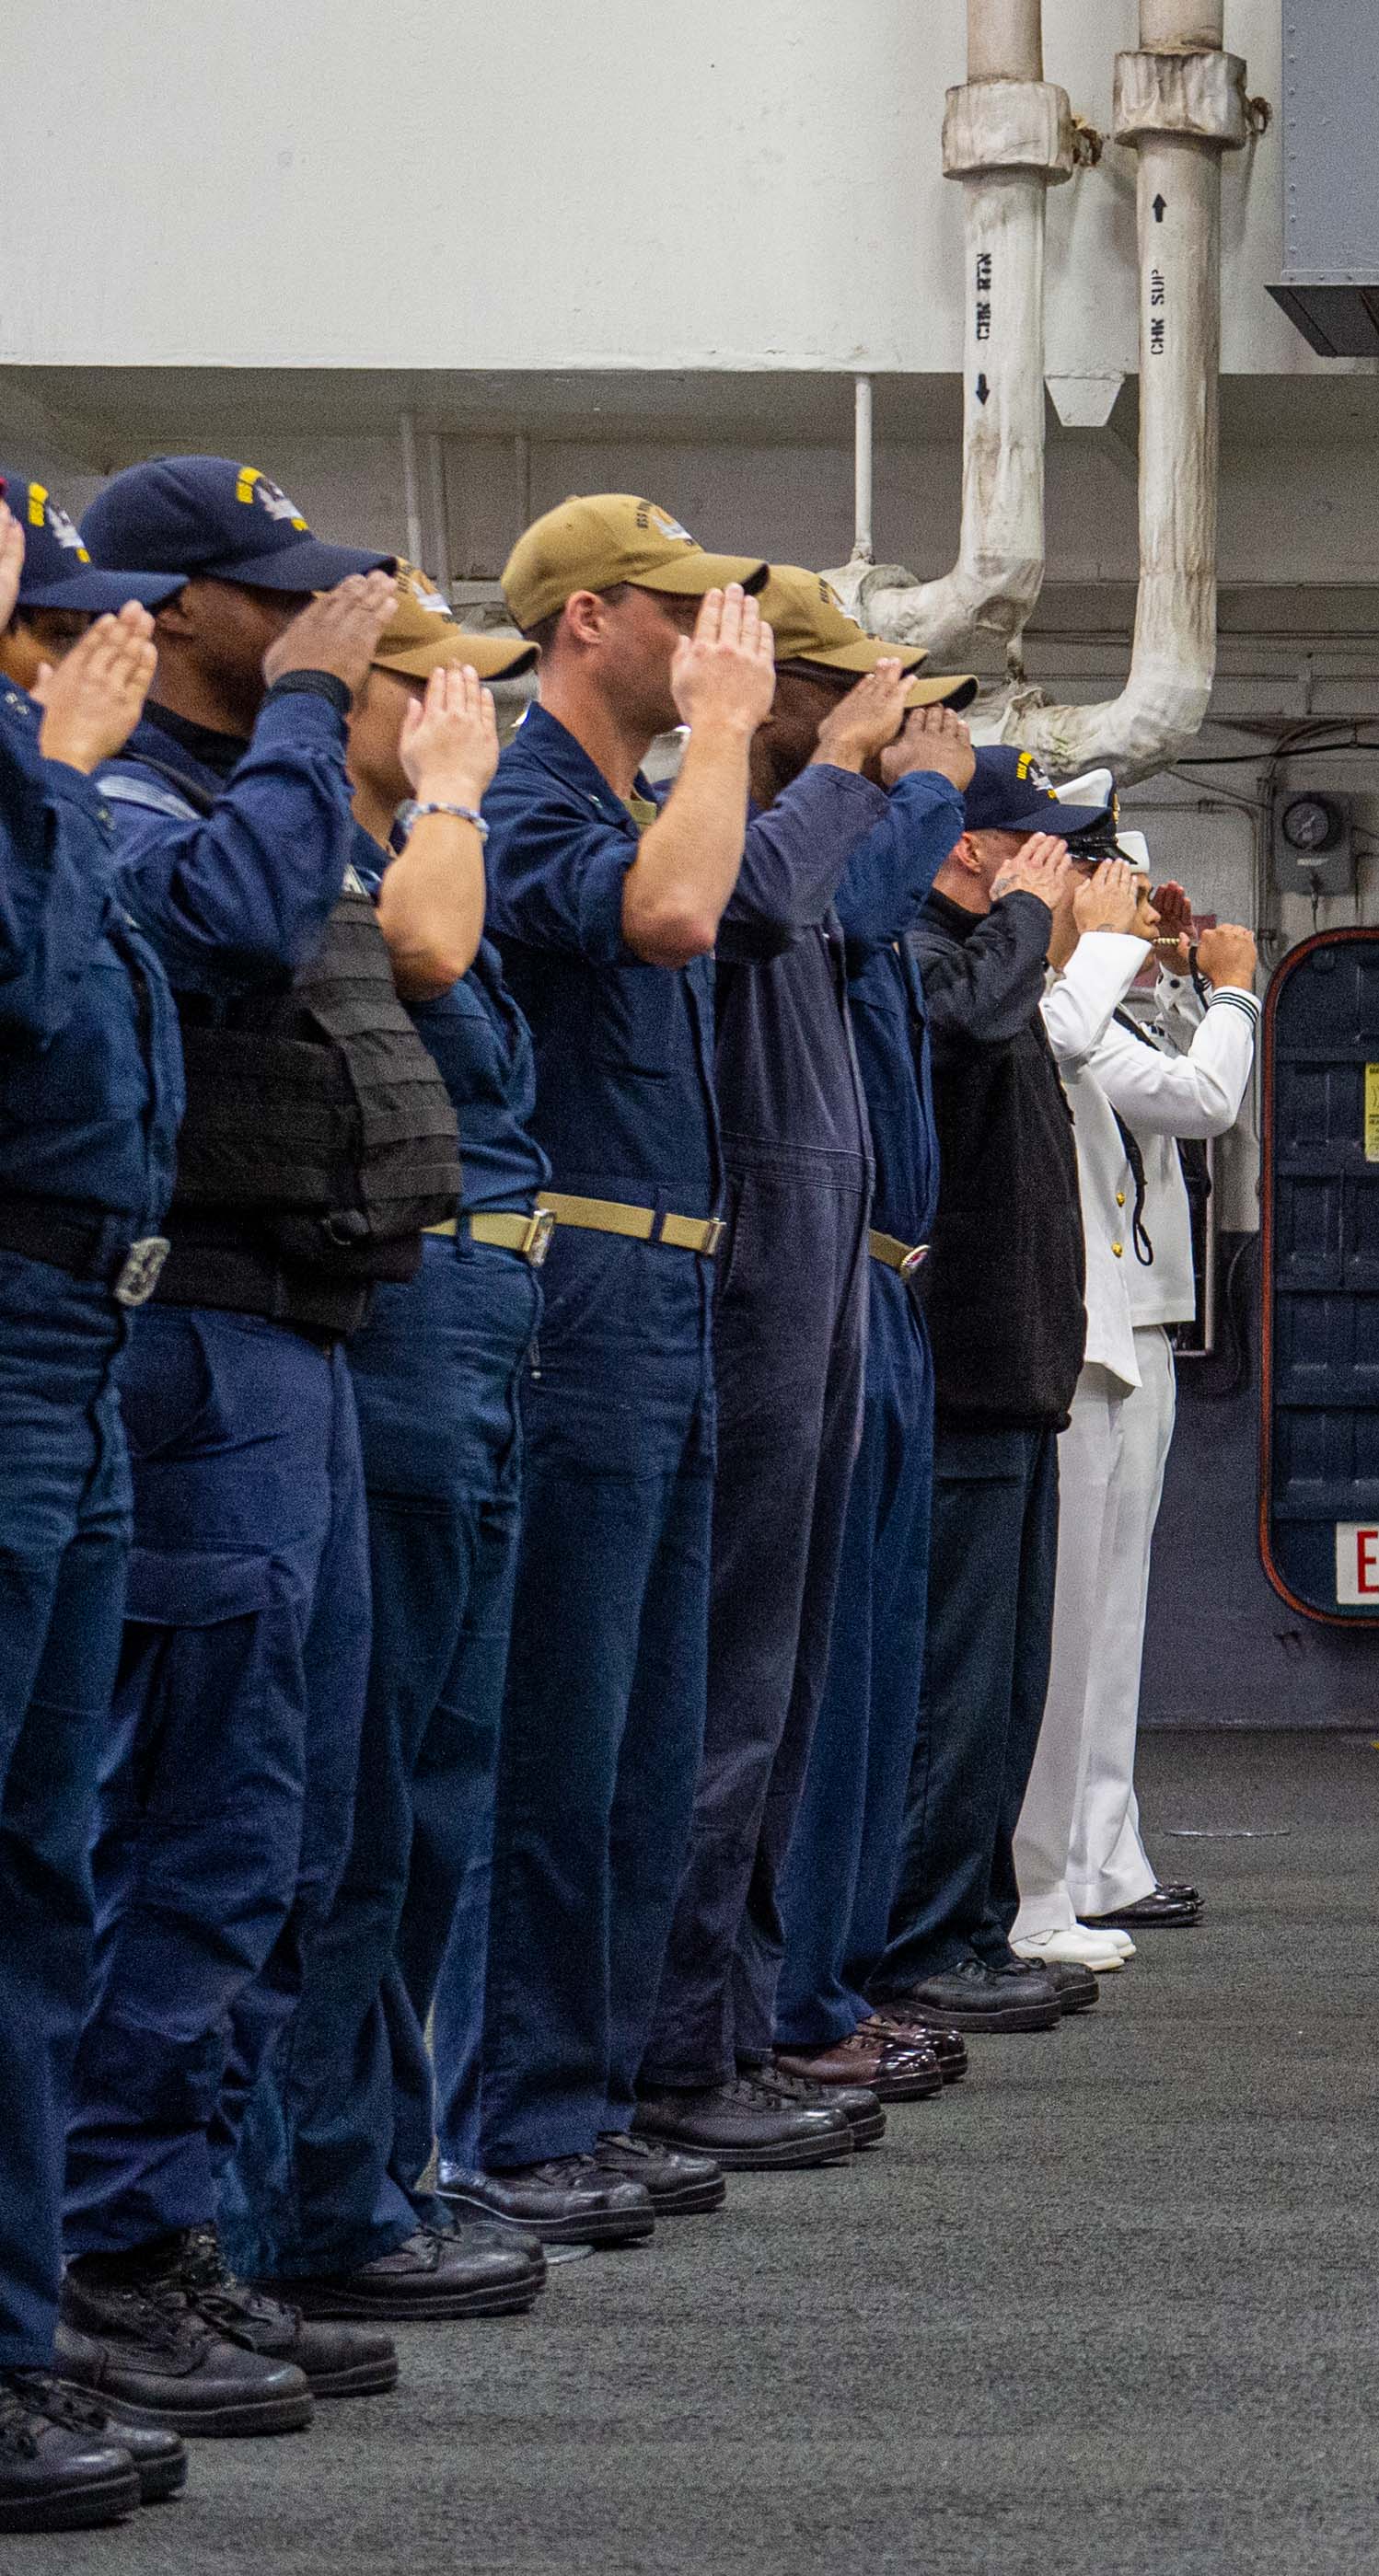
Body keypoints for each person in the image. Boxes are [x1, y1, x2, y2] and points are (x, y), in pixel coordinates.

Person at [64, 457, 422, 2428]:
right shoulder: (127, 793)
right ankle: (111, 2246)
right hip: (188, 1340)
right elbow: (238, 928)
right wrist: (307, 712)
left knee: (281, 1825)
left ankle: (179, 2224)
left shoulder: (224, 783)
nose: (303, 620)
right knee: (188, 1825)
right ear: (165, 604)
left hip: (298, 1330)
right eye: (262, 596)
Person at [446, 495, 792, 2244]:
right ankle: (526, 2105)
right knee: (565, 1730)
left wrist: (711, 751)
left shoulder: (632, 793)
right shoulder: (526, 800)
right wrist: (728, 732)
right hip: (580, 1286)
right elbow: (668, 920)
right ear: (585, 620)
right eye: (680, 613)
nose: (709, 639)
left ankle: (599, 2078)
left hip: (670, 1291)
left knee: (652, 1723)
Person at [222, 583, 554, 2330]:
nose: (463, 714)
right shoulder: (372, 855)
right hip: (405, 1324)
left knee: (437, 1781)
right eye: (428, 687)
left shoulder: (412, 842)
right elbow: (419, 959)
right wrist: (446, 794)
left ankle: (390, 2159)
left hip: (482, 1316)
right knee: (358, 1794)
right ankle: (318, 2189)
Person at [633, 579, 955, 2172]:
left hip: (823, 1279)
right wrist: (832, 761)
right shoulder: (726, 826)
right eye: (850, 695)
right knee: (728, 1694)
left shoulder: (802, 836)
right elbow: (743, 904)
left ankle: (742, 2014)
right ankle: (687, 2034)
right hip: (753, 1278)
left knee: (791, 1686)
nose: (885, 723)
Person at [0, 493, 185, 2528]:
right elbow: (35, 1014)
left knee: (45, 1875)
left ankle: (22, 2328)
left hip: (87, 1336)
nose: (90, 658)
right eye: (61, 629)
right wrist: (54, 783)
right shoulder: (59, 794)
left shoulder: (55, 787)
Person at [756, 571, 979, 2109]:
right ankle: (787, 1991)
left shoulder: (843, 841)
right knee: (804, 1688)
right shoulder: (789, 846)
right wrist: (904, 794)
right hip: (801, 1276)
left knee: (873, 1672)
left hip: (885, 1282)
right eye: (845, 689)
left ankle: (835, 1969)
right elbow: (842, 908)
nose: (891, 717)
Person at [873, 753, 1122, 2039]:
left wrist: (1027, 926)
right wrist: (1029, 919)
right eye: (1049, 848)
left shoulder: (992, 957)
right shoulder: (922, 953)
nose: (1073, 869)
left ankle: (969, 1924)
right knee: (954, 1683)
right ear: (977, 849)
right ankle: (921, 1938)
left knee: (1005, 1682)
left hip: (1014, 1375)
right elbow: (955, 1025)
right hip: (962, 1373)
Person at [1008, 867, 1260, 1963]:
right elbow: (1201, 1100)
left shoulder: (1105, 1004)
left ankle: (1100, 1851)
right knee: (1071, 1620)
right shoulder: (1053, 1005)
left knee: (1112, 1619)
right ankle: (1048, 1870)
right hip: (1082, 1327)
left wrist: (1181, 981)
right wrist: (1241, 996)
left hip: (1136, 1319)